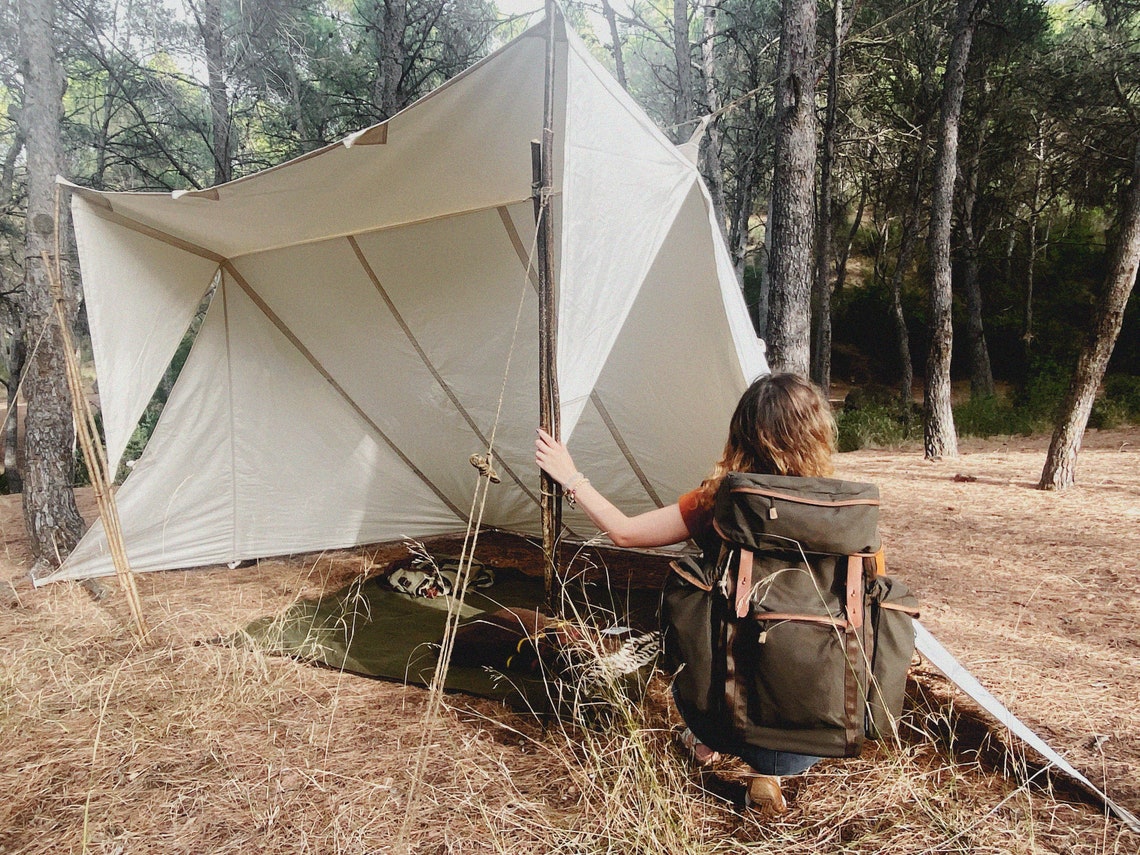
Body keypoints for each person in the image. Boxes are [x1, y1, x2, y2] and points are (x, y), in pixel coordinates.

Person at [535, 372, 838, 813]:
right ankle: (767, 771)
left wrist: (571, 477)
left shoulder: (717, 504)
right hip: (813, 735)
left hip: (719, 719)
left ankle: (703, 742)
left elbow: (624, 533)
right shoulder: (846, 518)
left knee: (710, 621)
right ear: (818, 435)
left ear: (741, 436)